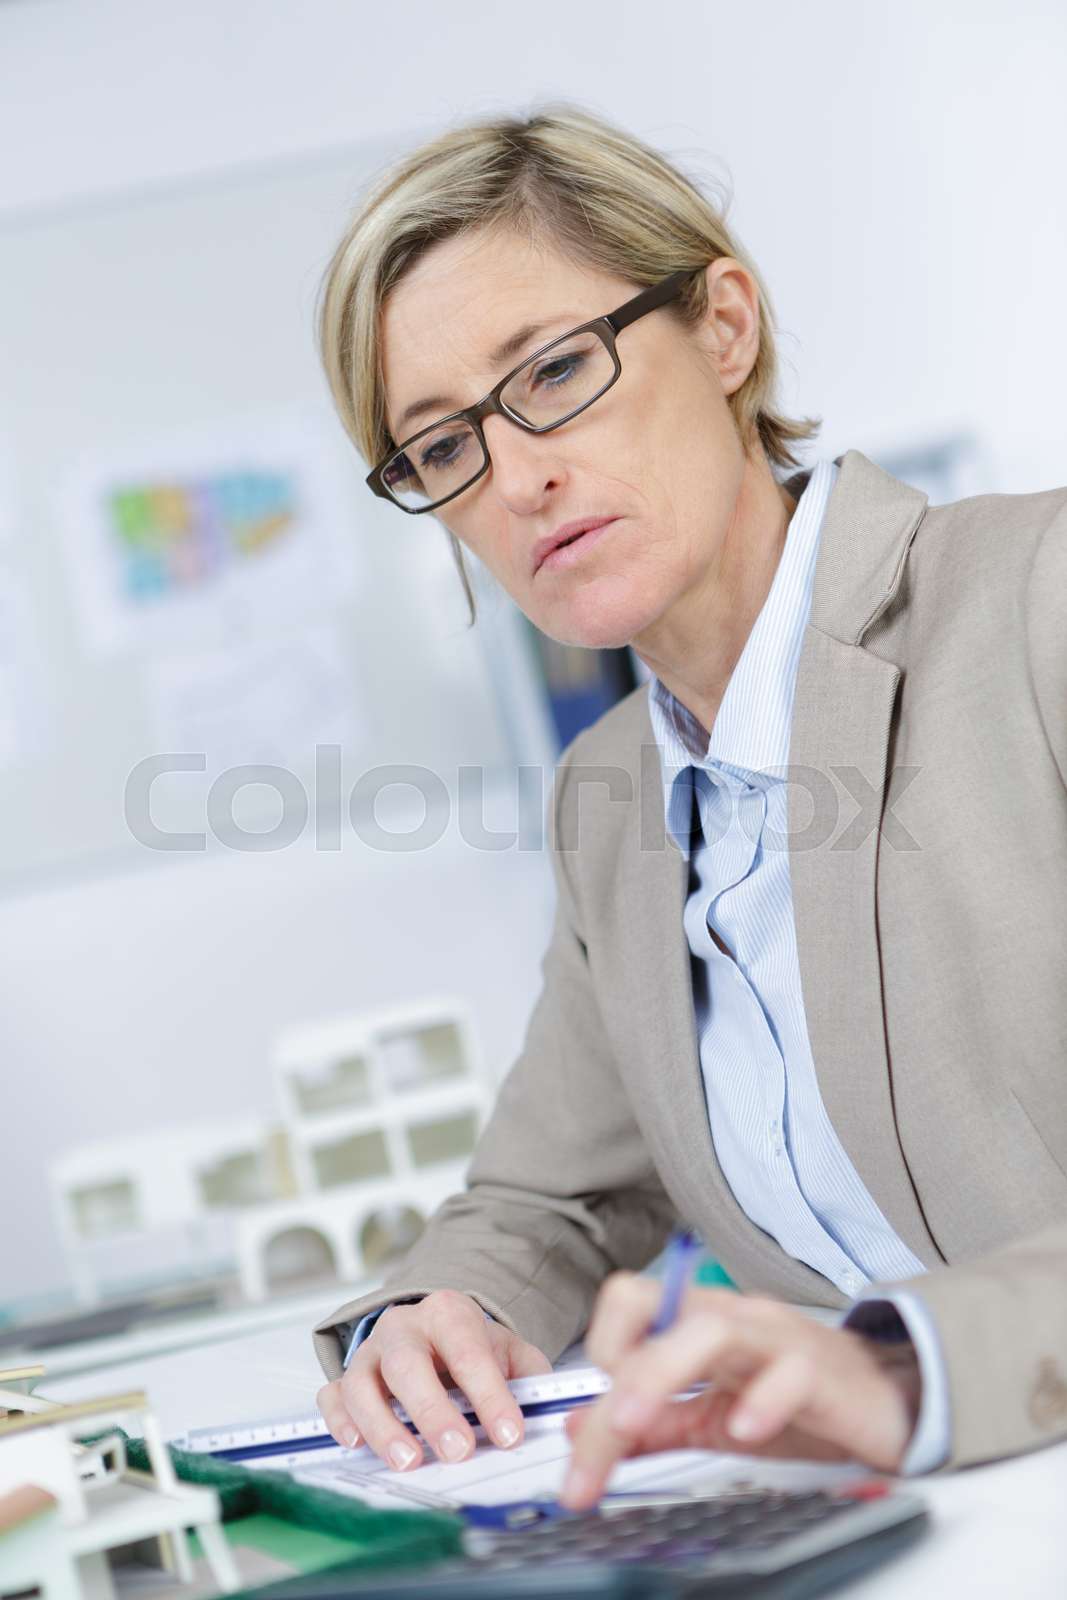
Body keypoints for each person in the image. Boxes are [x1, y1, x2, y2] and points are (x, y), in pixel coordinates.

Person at [310, 104, 1067, 1504]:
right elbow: (553, 1194)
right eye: (441, 449)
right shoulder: (613, 796)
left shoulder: (1039, 601)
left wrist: (912, 1369)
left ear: (723, 327)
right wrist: (443, 1317)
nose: (519, 477)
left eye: (553, 372)